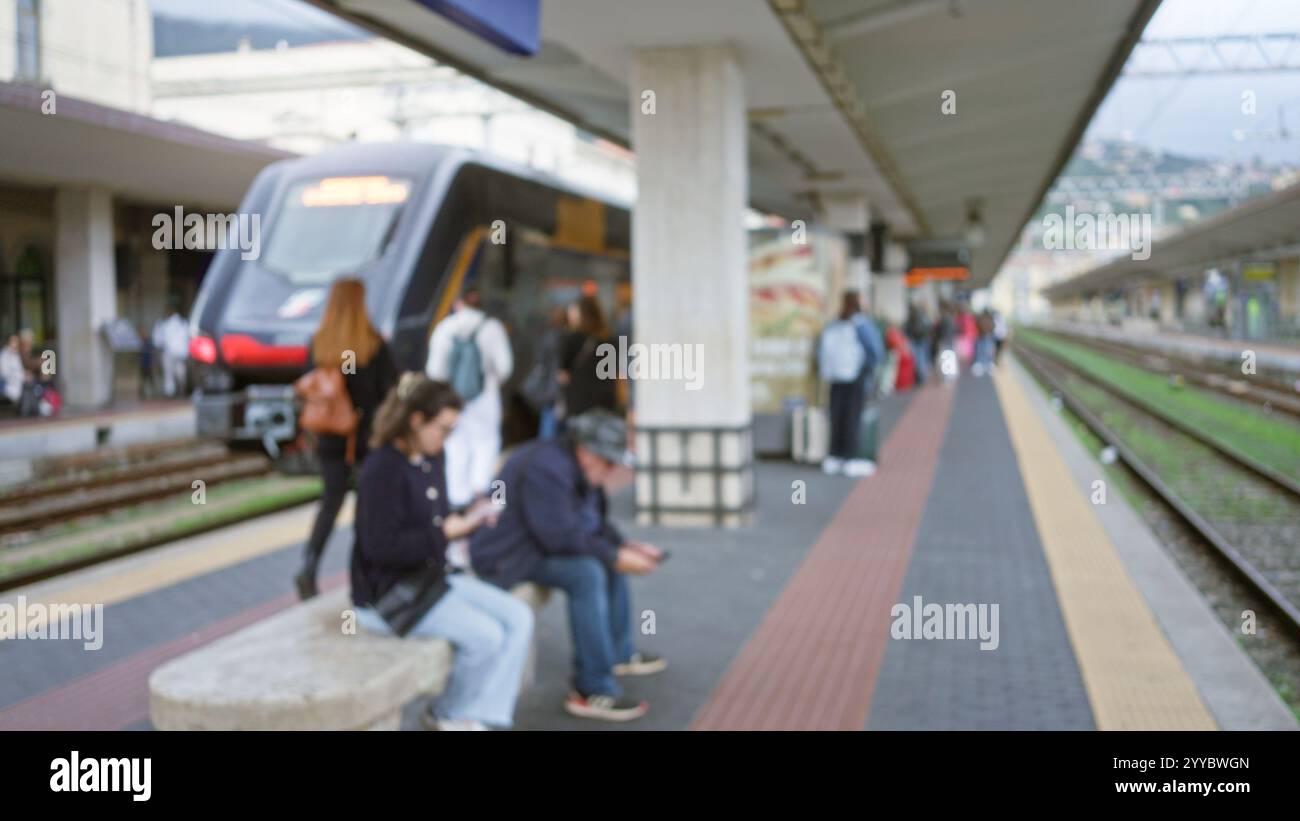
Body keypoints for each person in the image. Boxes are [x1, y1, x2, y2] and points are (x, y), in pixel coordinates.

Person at [352, 373, 533, 731]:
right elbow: (381, 549)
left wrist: (471, 515)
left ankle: (482, 715)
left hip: (432, 579)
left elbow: (438, 515)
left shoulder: (433, 458)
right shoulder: (381, 469)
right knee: (486, 637)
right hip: (389, 594)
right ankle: (451, 714)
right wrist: (446, 532)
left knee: (519, 617)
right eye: (444, 428)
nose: (448, 437)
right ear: (415, 420)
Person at [470, 408, 666, 722]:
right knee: (587, 572)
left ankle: (619, 653)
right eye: (609, 461)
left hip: (531, 545)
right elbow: (559, 537)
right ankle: (592, 688)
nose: (613, 469)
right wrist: (615, 555)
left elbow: (593, 523)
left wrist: (625, 547)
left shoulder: (574, 464)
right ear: (587, 452)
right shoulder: (546, 468)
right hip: (504, 557)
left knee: (603, 559)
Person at [295, 278, 398, 601]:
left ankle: (309, 566)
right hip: (366, 438)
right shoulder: (372, 344)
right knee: (366, 507)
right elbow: (389, 392)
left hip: (330, 436)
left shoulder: (319, 343)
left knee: (330, 501)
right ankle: (361, 575)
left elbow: (309, 386)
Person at [426, 285, 513, 510]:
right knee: (486, 443)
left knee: (455, 446)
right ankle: (480, 493)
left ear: (457, 303)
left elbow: (434, 371)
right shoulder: (492, 327)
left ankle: (457, 499)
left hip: (452, 401)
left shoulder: (445, 328)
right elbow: (505, 367)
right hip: (485, 398)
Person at [817, 291, 883, 477]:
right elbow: (876, 353)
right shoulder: (861, 324)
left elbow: (821, 351)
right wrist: (867, 371)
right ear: (858, 302)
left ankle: (834, 456)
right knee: (853, 417)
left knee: (836, 415)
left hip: (835, 377)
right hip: (856, 377)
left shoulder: (834, 324)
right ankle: (851, 458)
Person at [557, 296, 618, 423]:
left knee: (581, 438)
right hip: (605, 400)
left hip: (579, 400)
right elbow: (613, 372)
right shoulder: (609, 339)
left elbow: (563, 372)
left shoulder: (571, 339)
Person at [520, 306, 567, 441]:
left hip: (549, 388)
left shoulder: (547, 337)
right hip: (557, 388)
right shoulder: (563, 337)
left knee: (549, 424)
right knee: (556, 425)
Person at [151, 302, 191, 398]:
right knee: (180, 371)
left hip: (169, 351)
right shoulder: (183, 323)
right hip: (181, 352)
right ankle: (181, 388)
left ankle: (170, 392)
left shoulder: (164, 324)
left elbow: (158, 340)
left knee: (169, 373)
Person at [904, 304, 932, 385]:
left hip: (915, 339)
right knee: (922, 357)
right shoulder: (923, 316)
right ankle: (922, 375)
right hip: (922, 339)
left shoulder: (911, 317)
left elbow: (906, 328)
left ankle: (919, 376)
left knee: (918, 358)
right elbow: (928, 326)